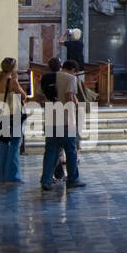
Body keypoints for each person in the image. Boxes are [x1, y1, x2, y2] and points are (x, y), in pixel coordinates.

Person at [39, 60, 84, 191]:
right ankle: (73, 179)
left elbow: (39, 97)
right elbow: (70, 97)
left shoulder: (45, 78)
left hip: (50, 118)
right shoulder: (70, 78)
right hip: (65, 119)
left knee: (50, 150)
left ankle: (46, 180)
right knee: (70, 150)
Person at [0, 58, 27, 184]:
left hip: (2, 115)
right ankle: (13, 176)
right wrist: (17, 82)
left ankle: (2, 175)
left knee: (3, 145)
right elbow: (23, 96)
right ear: (13, 68)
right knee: (14, 145)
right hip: (15, 115)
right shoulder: (12, 81)